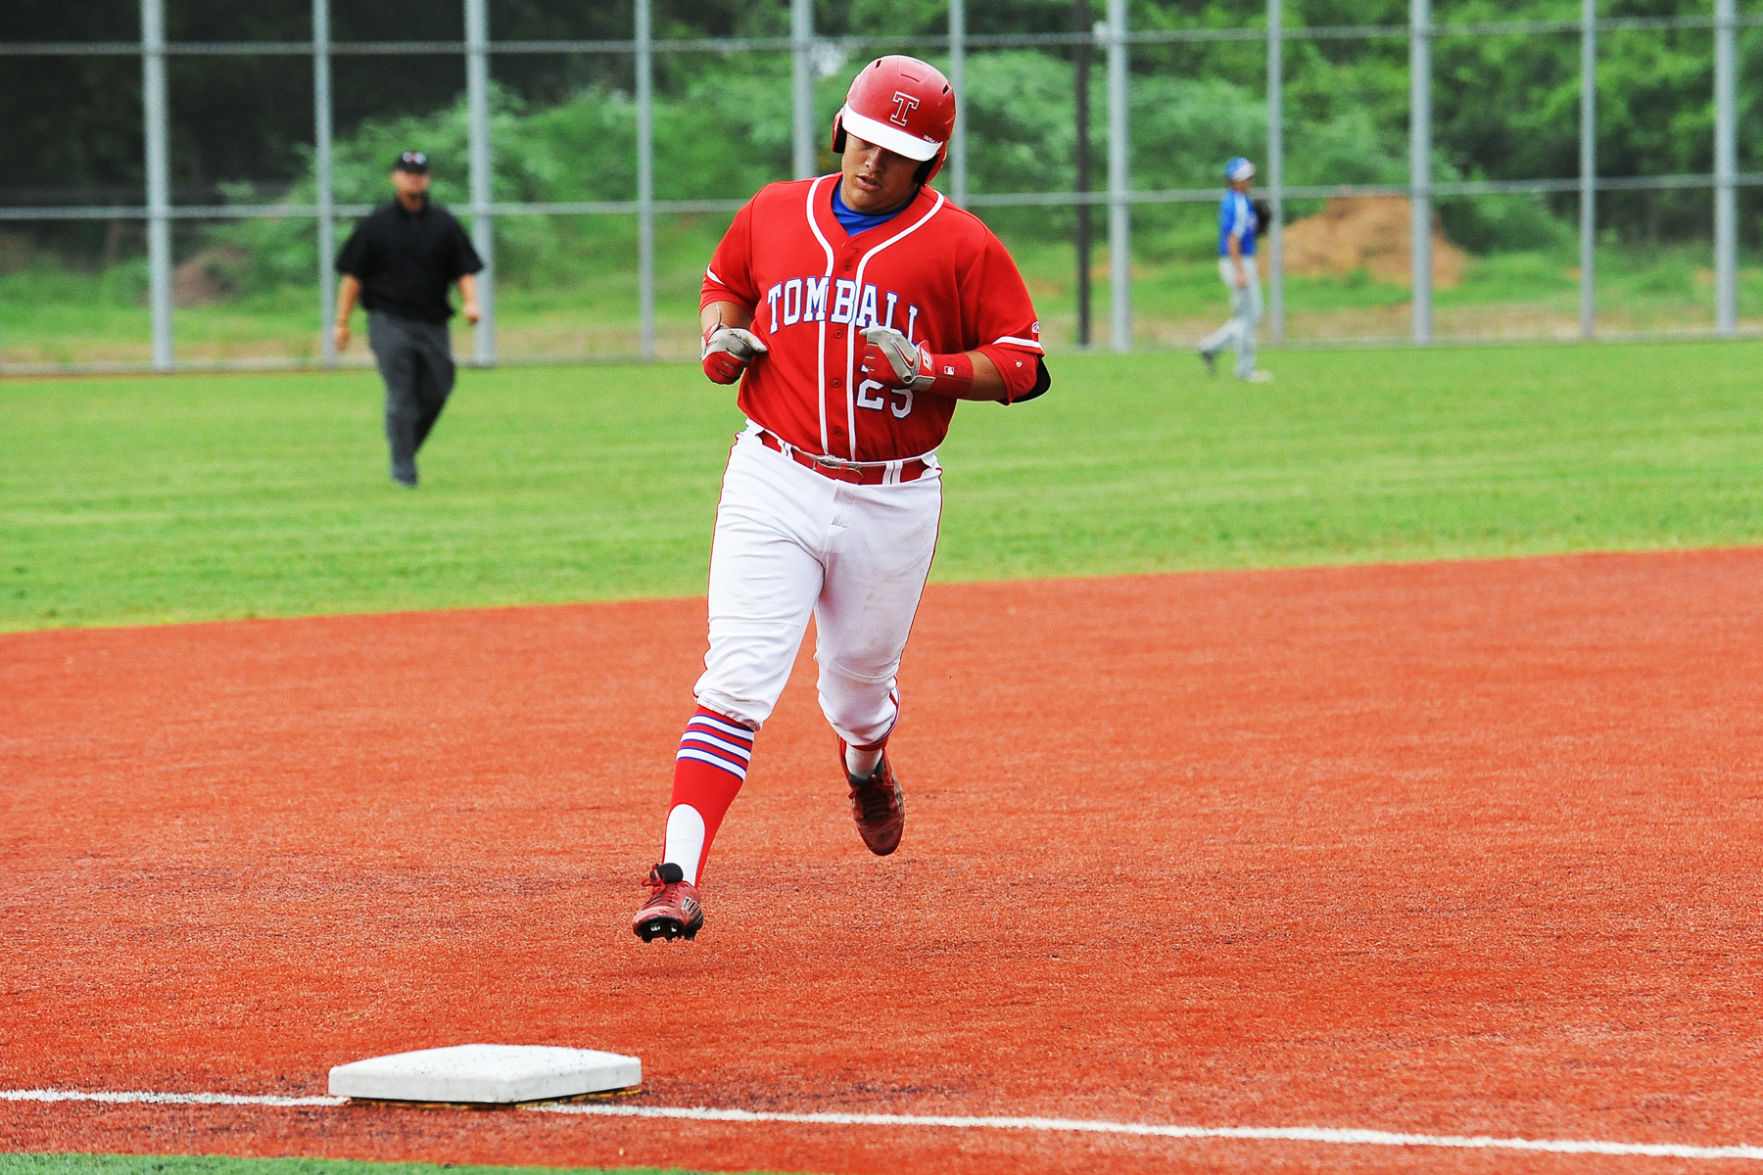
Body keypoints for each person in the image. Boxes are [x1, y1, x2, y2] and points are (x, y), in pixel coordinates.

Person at [631, 54, 1052, 942]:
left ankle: (866, 765)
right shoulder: (774, 210)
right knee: (736, 677)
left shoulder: (960, 243)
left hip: (889, 500)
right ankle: (674, 873)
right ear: (840, 129)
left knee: (856, 695)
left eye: (898, 150)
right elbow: (723, 287)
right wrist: (720, 343)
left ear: (927, 163)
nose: (873, 160)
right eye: (865, 138)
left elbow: (1024, 362)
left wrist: (930, 369)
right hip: (772, 474)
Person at [333, 150, 484, 487]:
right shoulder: (376, 224)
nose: (414, 177)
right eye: (407, 172)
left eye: (420, 172)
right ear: (395, 177)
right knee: (401, 393)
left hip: (432, 321)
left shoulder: (443, 223)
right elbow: (352, 276)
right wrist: (341, 322)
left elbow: (463, 269)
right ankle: (404, 470)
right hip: (388, 320)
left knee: (439, 388)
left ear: (427, 178)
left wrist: (471, 303)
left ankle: (404, 448)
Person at [1196, 156, 1272, 383]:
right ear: (1233, 180)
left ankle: (1210, 347)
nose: (1249, 181)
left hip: (1238, 261)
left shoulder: (1240, 201)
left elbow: (1245, 234)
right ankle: (1245, 369)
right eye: (1244, 177)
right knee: (1249, 317)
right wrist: (1239, 271)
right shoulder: (1237, 202)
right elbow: (1232, 240)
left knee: (1249, 316)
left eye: (1250, 176)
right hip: (1237, 262)